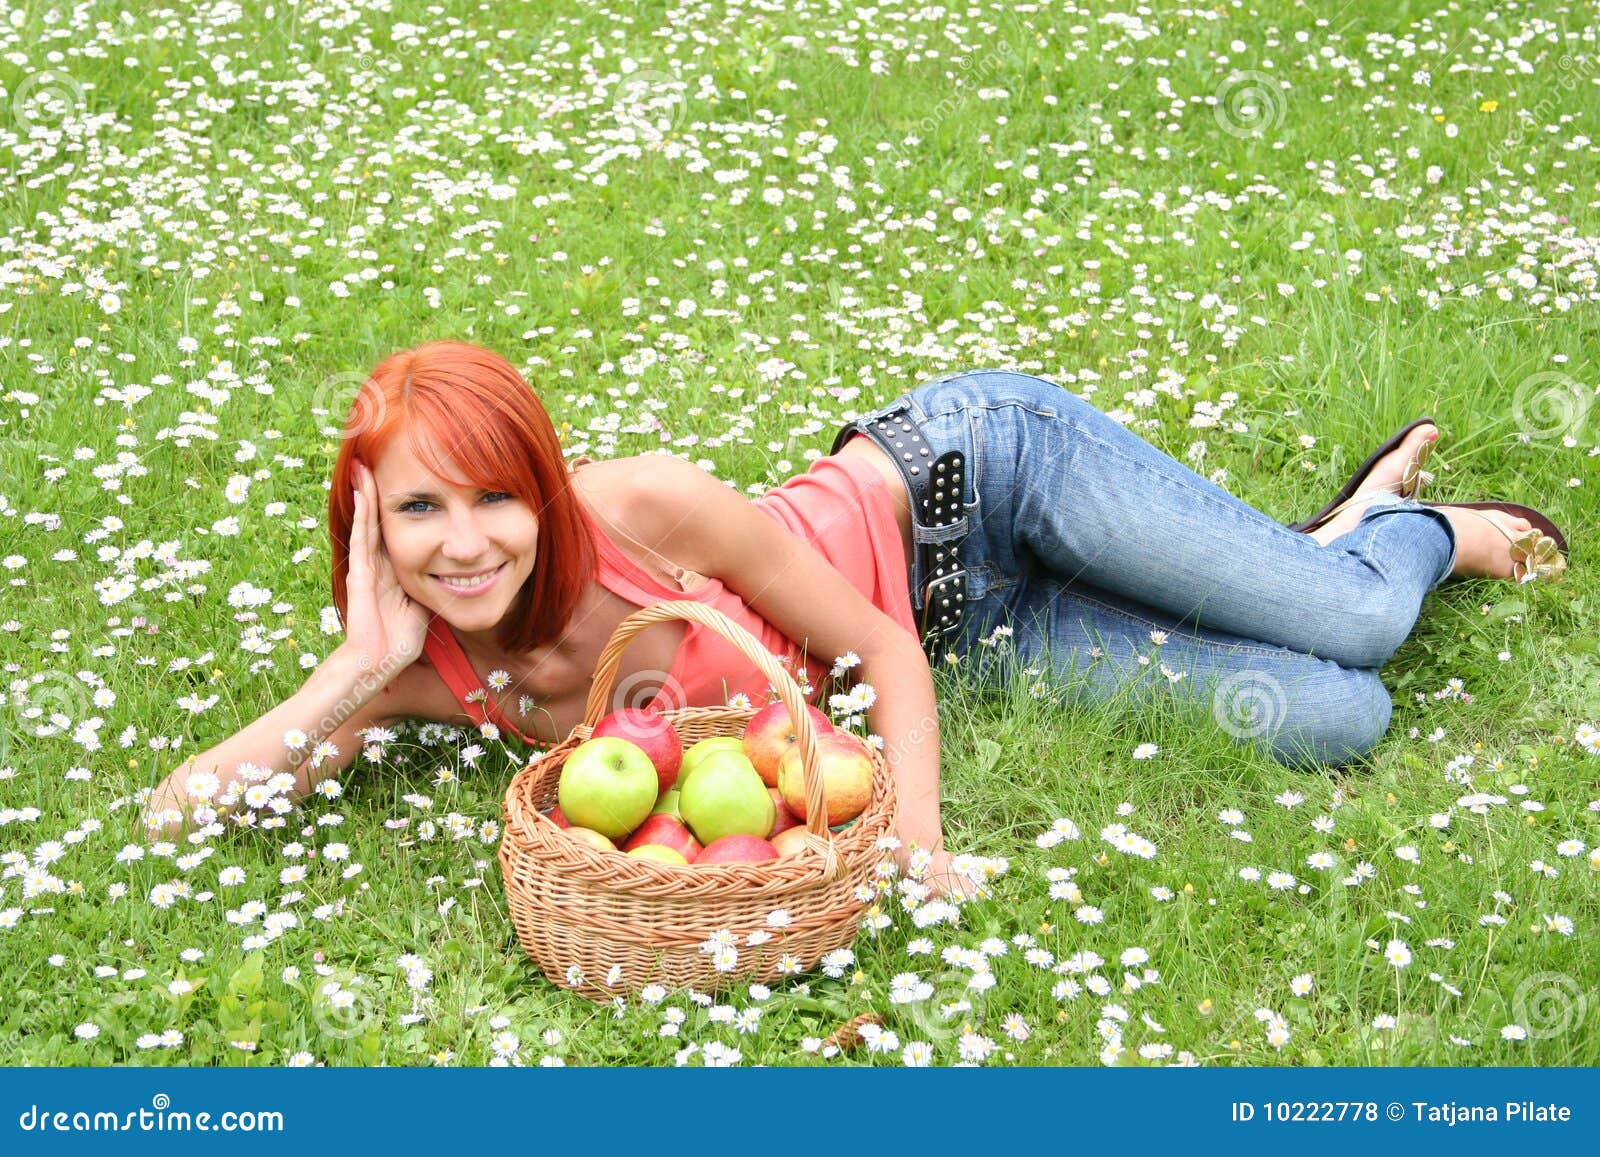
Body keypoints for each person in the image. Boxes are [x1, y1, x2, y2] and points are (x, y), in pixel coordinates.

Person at [144, 343, 1569, 892]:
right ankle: (1299, 554)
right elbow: (176, 818)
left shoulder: (642, 507)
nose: (464, 544)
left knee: (1358, 626)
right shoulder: (421, 666)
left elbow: (877, 645)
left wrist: (918, 843)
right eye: (418, 511)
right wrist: (356, 668)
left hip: (981, 480)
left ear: (544, 485)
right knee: (1339, 712)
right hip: (980, 633)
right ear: (371, 527)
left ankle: (1403, 529)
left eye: (495, 497)